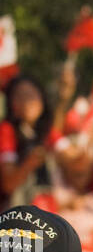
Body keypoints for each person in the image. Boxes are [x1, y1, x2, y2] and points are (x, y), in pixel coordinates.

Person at [0, 70, 76, 208]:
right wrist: (29, 163)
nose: (28, 101)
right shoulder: (7, 131)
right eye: (21, 96)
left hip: (48, 208)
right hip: (17, 213)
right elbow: (8, 184)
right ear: (12, 105)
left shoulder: (47, 130)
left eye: (31, 95)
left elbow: (74, 159)